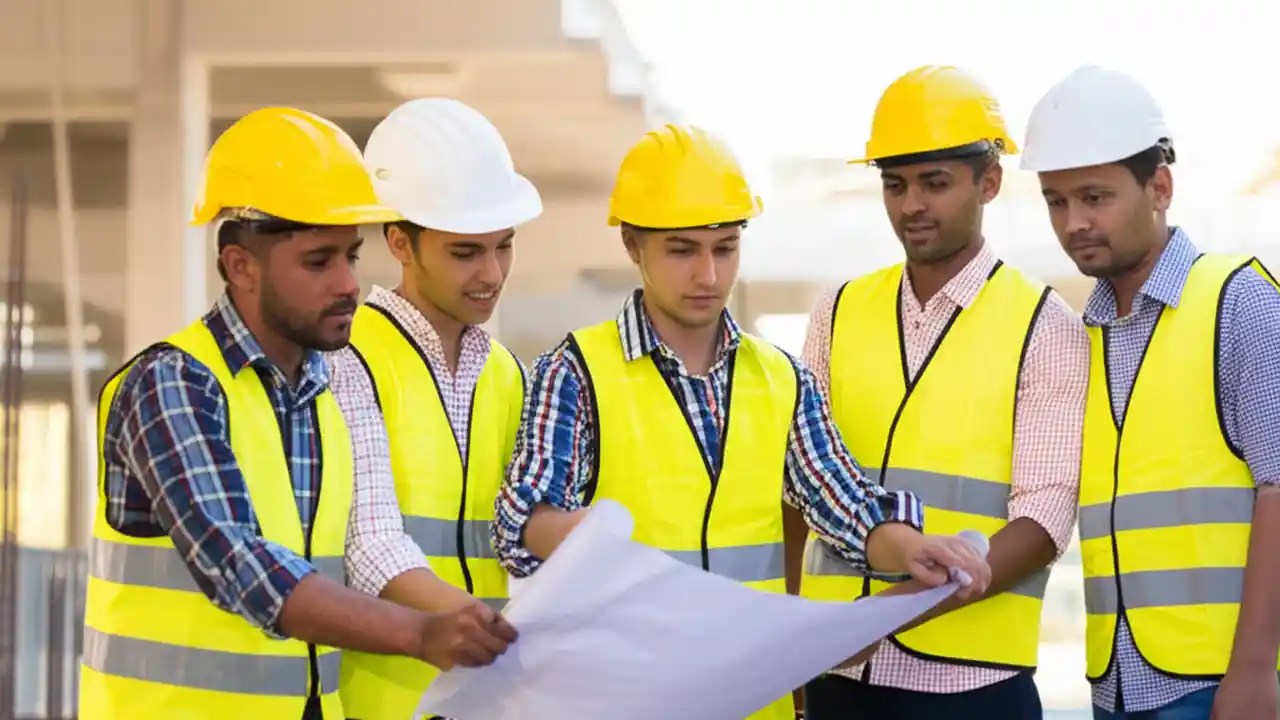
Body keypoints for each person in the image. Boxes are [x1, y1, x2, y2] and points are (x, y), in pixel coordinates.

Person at [491, 122, 993, 720]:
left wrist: (912, 548)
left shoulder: (782, 379)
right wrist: (594, 543)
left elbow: (843, 503)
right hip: (624, 699)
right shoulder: (573, 372)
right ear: (633, 244)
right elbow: (523, 517)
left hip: (754, 702)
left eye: (724, 247)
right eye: (682, 249)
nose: (708, 276)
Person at [78, 107, 517, 720]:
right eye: (318, 262)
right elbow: (238, 563)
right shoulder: (172, 384)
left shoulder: (326, 392)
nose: (347, 284)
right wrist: (420, 633)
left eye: (351, 257)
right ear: (241, 268)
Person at [795, 64, 1089, 720]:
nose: (911, 206)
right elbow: (798, 483)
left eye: (935, 183)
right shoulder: (838, 311)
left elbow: (1044, 518)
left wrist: (898, 603)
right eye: (894, 185)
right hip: (837, 675)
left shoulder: (1046, 326)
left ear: (989, 182)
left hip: (971, 687)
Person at [1021, 64, 1280, 720]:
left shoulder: (1240, 303)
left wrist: (1253, 674)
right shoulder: (1088, 333)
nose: (1073, 221)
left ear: (1158, 186)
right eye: (1056, 201)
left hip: (1219, 684)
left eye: (1095, 197)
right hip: (1116, 683)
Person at [327, 98, 542, 720]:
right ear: (400, 242)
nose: (492, 273)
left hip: (490, 696)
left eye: (504, 247)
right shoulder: (349, 358)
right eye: (465, 251)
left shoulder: (507, 375)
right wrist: (484, 628)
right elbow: (368, 545)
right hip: (386, 700)